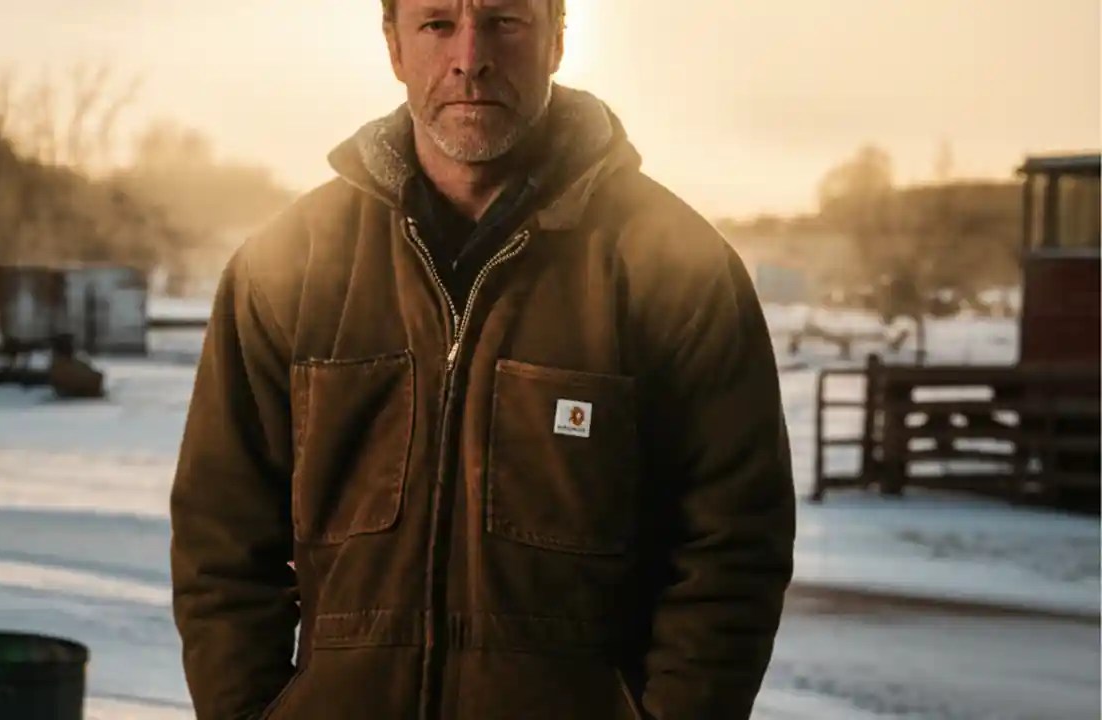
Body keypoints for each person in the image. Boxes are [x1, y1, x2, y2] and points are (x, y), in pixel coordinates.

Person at [170, 1, 796, 718]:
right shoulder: (289, 266)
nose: (471, 58)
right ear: (394, 47)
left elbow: (733, 549)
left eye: (505, 21)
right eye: (438, 23)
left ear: (557, 40)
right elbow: (220, 540)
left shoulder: (675, 268)